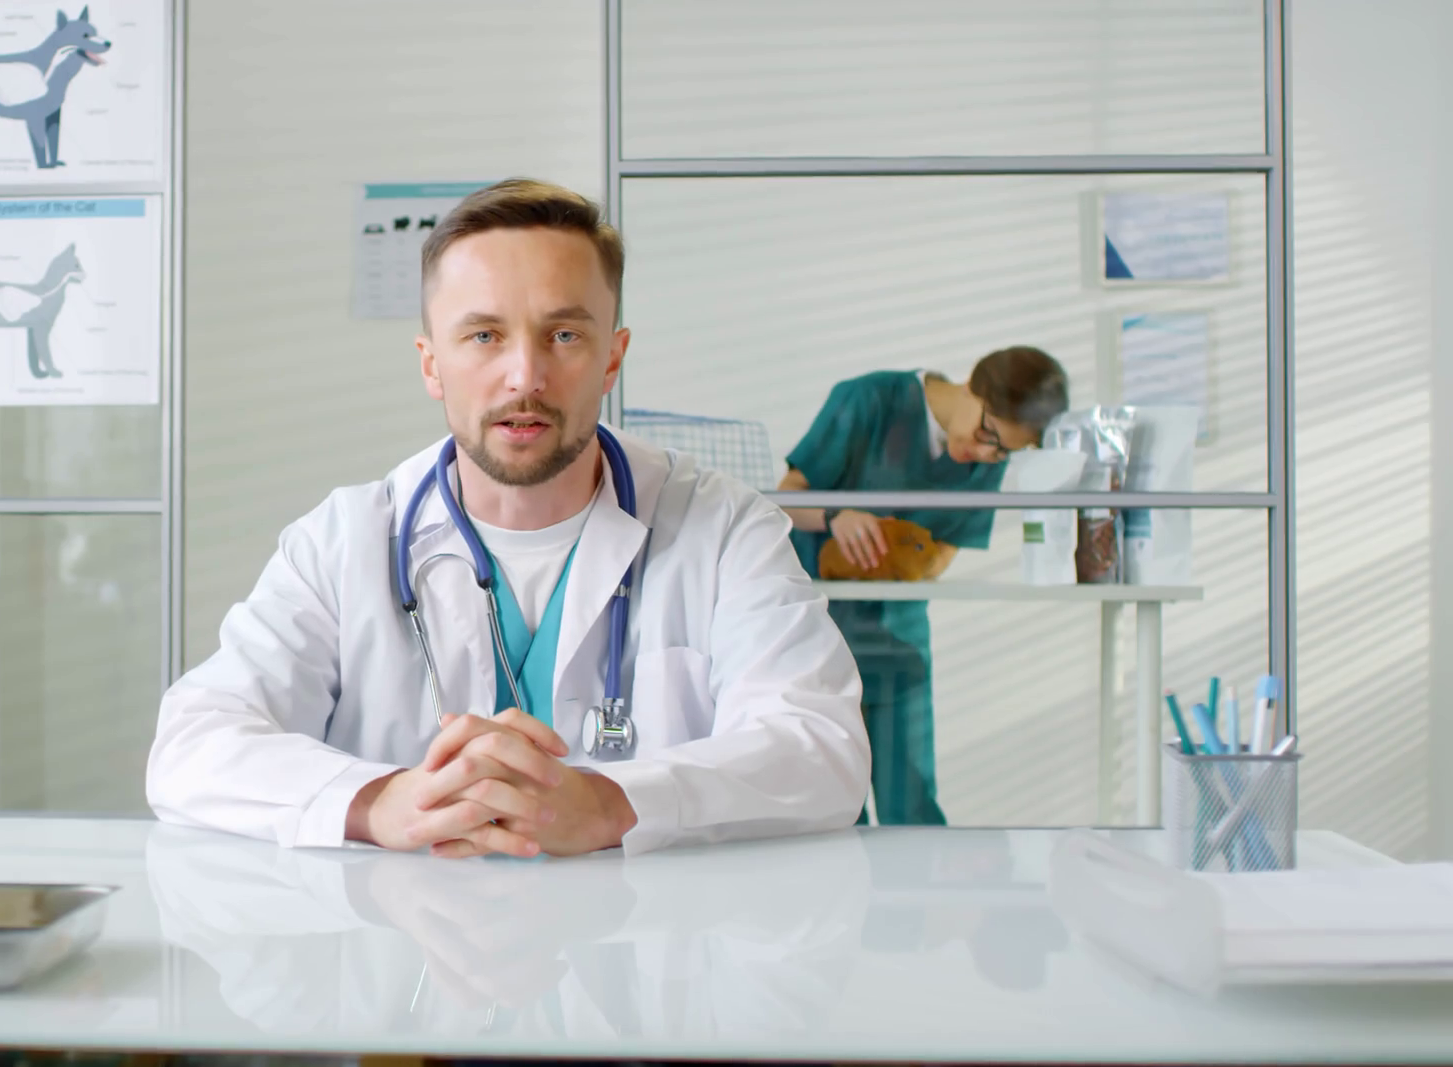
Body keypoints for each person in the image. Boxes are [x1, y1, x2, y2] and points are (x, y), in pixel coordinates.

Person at [147, 178, 869, 857]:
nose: (525, 376)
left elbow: (822, 747)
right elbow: (192, 743)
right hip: (406, 966)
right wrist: (377, 801)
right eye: (484, 336)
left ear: (612, 358)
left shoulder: (724, 530)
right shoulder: (344, 541)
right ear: (432, 364)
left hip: (648, 962)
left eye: (563, 335)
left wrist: (616, 802)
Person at [776, 352, 1068, 826]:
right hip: (819, 638)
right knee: (830, 809)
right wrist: (836, 515)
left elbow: (941, 554)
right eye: (987, 434)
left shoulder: (987, 460)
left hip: (899, 640)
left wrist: (906, 554)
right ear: (975, 387)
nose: (985, 454)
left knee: (910, 809)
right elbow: (786, 497)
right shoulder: (870, 399)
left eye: (1004, 452)